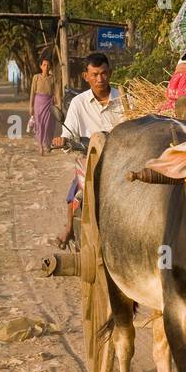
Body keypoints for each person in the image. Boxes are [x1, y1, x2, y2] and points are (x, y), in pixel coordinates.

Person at [53, 52, 127, 248]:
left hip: (123, 159)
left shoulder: (126, 99)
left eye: (103, 73)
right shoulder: (78, 103)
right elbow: (69, 133)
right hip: (91, 159)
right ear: (86, 76)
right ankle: (69, 227)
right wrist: (63, 140)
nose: (99, 79)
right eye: (94, 75)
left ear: (109, 73)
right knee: (77, 191)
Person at [28, 55, 60, 156]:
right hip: (38, 103)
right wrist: (31, 106)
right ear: (41, 66)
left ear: (50, 67)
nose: (46, 67)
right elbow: (32, 92)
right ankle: (40, 145)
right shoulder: (36, 77)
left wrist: (58, 105)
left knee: (48, 124)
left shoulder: (52, 78)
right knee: (39, 124)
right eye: (44, 65)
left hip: (49, 104)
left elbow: (57, 92)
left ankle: (47, 143)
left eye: (48, 65)